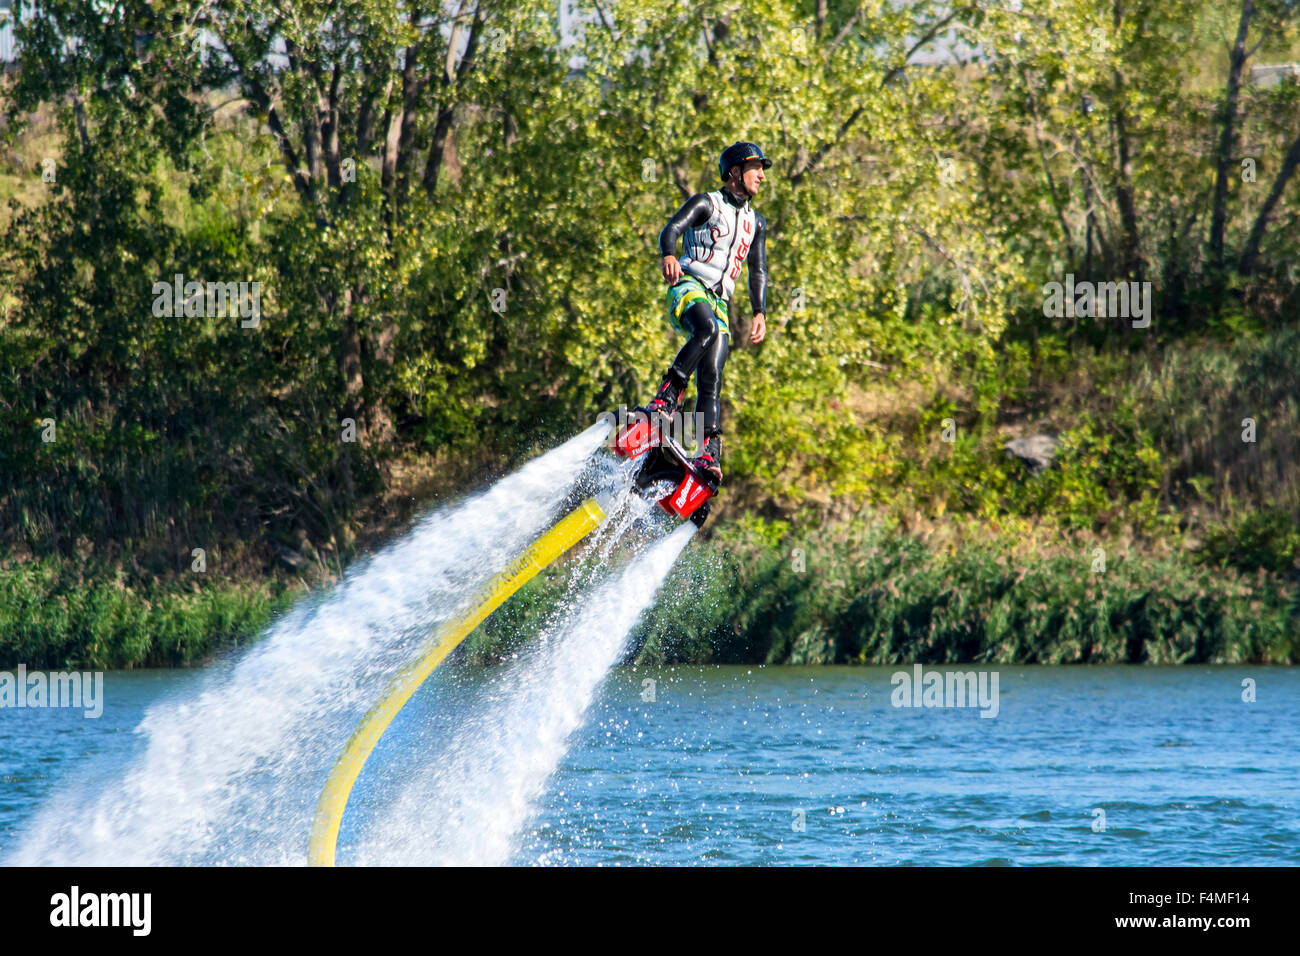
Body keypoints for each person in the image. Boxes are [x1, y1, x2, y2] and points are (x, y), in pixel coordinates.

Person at [640, 141, 771, 483]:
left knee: (712, 376)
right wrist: (669, 255)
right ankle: (666, 399)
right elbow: (670, 230)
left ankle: (708, 451)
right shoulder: (706, 203)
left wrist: (760, 311)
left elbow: (758, 270)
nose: (762, 175)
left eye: (762, 169)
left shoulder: (756, 223)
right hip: (690, 286)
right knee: (707, 330)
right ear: (734, 173)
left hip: (720, 302)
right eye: (755, 168)